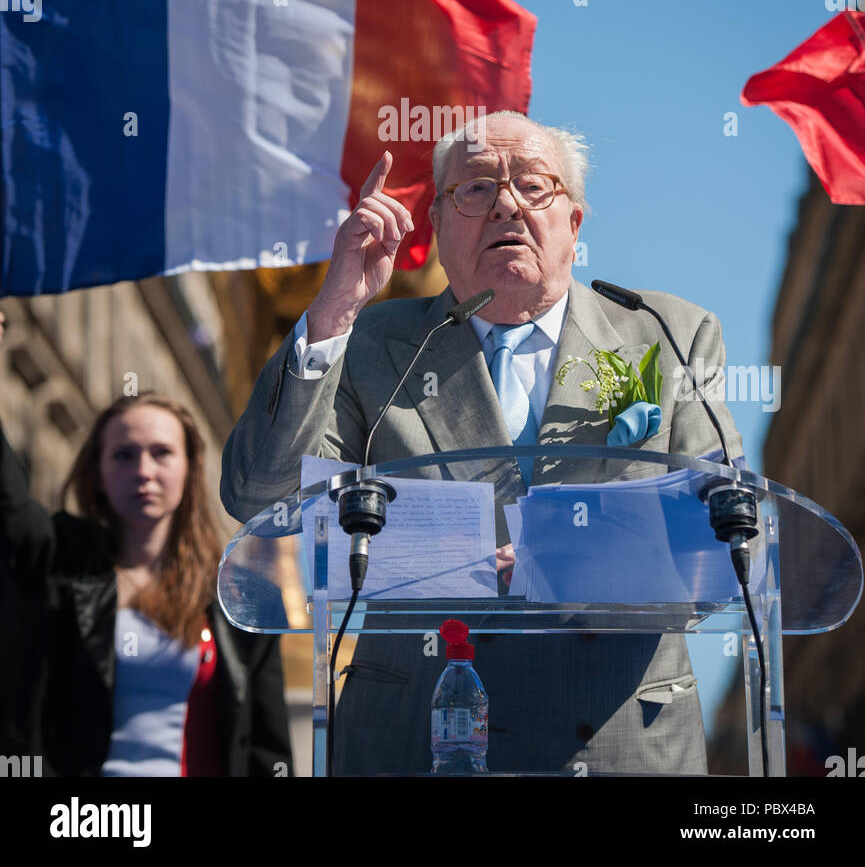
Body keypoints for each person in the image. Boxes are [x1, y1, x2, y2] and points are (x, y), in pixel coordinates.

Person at [220, 111, 744, 775]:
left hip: (613, 737)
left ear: (573, 222)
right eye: (475, 190)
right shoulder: (373, 345)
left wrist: (546, 552)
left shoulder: (666, 333)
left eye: (532, 186)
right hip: (418, 735)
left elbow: (722, 539)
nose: (505, 205)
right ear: (436, 224)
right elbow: (256, 492)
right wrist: (333, 312)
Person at [0, 377, 293, 777]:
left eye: (162, 453)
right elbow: (10, 509)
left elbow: (268, 749)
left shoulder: (243, 595)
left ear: (190, 468)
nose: (143, 471)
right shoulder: (63, 564)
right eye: (123, 455)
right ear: (98, 471)